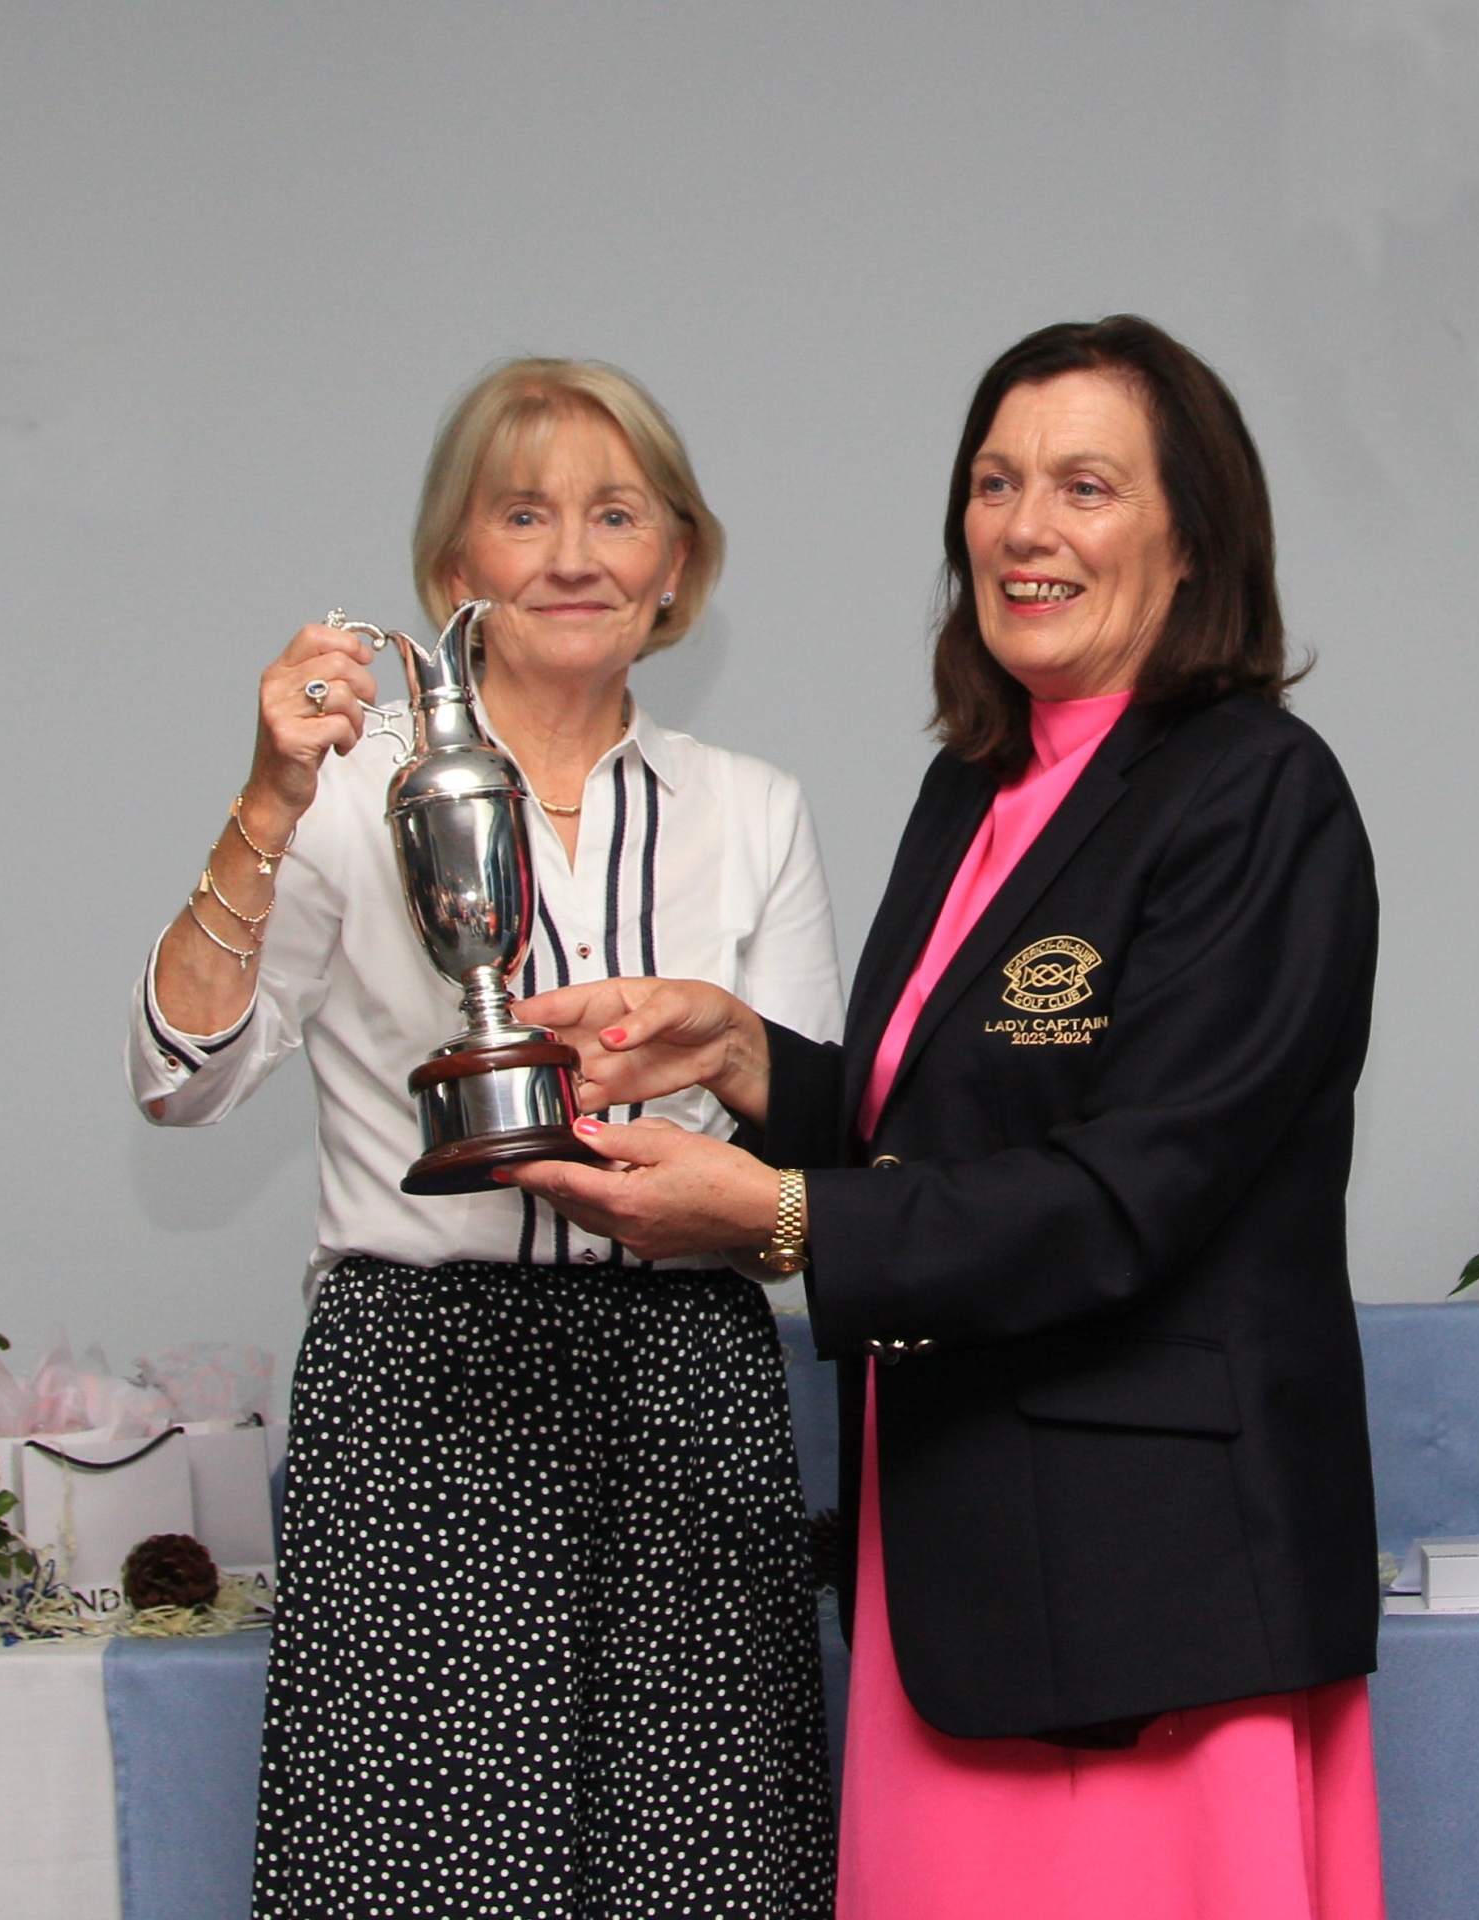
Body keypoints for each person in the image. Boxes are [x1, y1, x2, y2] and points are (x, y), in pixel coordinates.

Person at [507, 317, 1387, 1920]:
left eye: (1084, 485)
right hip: (957, 1562)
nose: (1024, 527)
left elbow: (1129, 1190)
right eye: (993, 481)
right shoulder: (973, 788)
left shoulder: (1259, 793)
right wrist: (755, 1062)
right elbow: (946, 1122)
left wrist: (775, 1221)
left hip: (1150, 1595)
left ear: (1193, 539)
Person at [126, 358, 841, 1917]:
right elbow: (180, 1079)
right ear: (456, 572)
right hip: (419, 1383)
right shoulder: (351, 788)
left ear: (677, 564)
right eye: (523, 516)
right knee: (418, 1875)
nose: (572, 555)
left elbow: (816, 1127)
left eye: (615, 514)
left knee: (704, 1868)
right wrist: (262, 802)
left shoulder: (752, 808)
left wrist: (712, 1084)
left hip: (689, 1383)